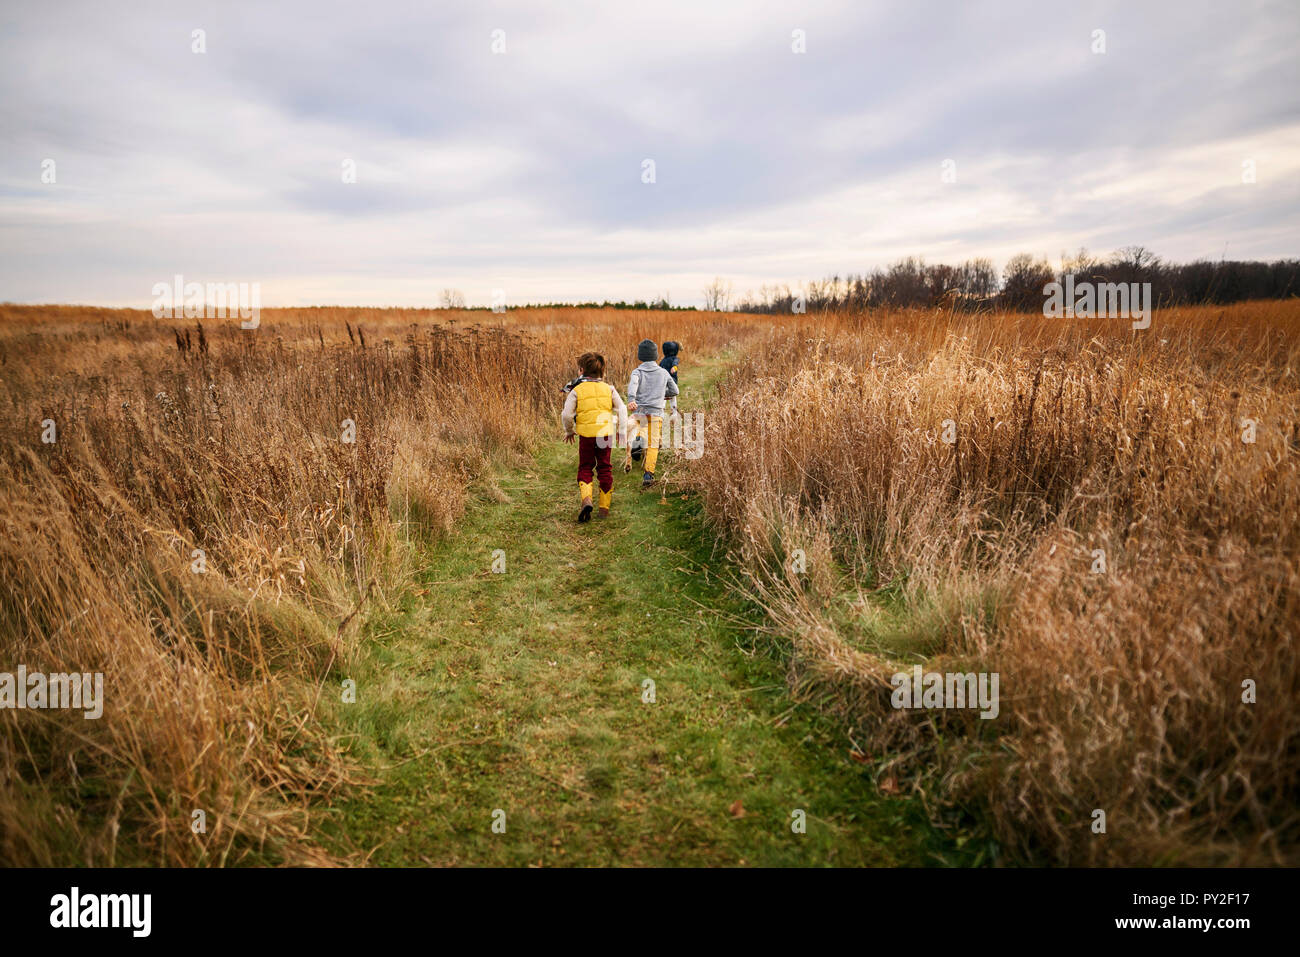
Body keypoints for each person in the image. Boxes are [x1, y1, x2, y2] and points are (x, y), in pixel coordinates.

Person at [561, 352, 627, 522]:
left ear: (581, 370)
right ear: (602, 371)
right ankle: (604, 508)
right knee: (605, 468)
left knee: (585, 467)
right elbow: (622, 409)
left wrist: (569, 431)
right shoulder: (609, 389)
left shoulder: (576, 390)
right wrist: (621, 430)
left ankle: (587, 499)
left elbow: (567, 415)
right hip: (605, 434)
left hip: (586, 436)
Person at [625, 338, 678, 488]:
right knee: (654, 443)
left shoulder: (637, 371)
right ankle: (648, 473)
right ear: (655, 355)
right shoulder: (663, 373)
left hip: (640, 410)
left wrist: (631, 399)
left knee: (642, 430)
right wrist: (662, 394)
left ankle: (638, 441)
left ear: (640, 356)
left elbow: (633, 385)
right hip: (656, 412)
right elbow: (675, 391)